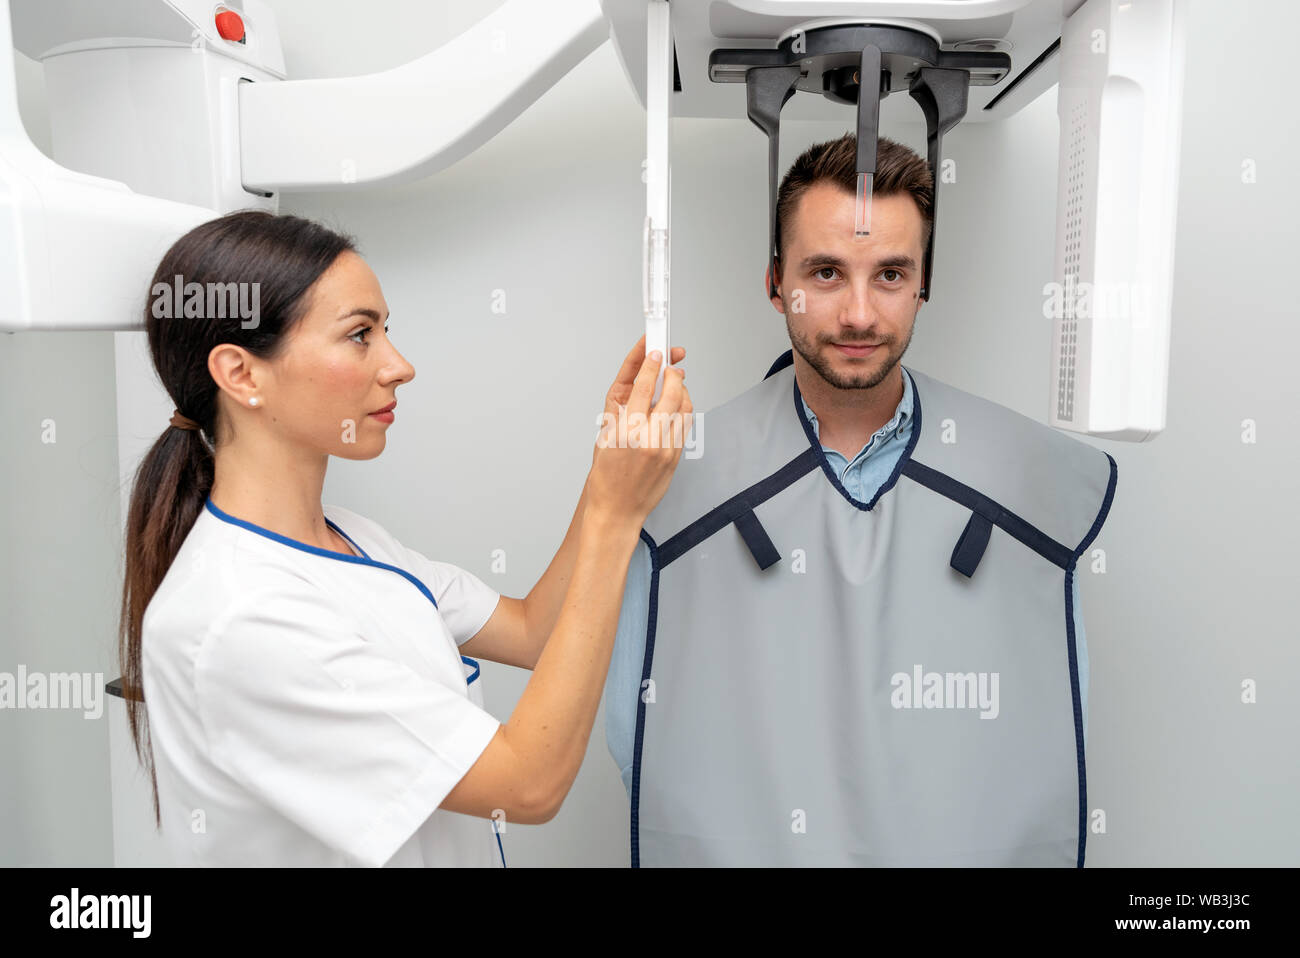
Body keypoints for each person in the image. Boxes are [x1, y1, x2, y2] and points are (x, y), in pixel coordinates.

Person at [119, 209, 692, 866]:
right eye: (360, 335)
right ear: (242, 374)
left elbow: (536, 632)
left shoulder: (352, 542)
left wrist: (606, 474)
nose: (399, 365)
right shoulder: (238, 618)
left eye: (386, 330)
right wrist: (618, 515)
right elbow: (528, 785)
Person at [605, 133, 1118, 866]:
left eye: (889, 275)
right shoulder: (674, 484)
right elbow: (638, 755)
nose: (857, 314)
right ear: (776, 281)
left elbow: (1051, 744)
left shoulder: (1024, 487)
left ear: (922, 284)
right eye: (825, 272)